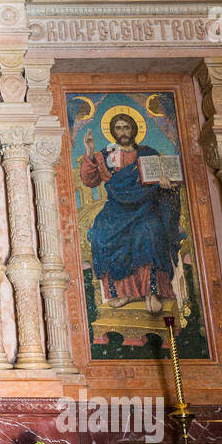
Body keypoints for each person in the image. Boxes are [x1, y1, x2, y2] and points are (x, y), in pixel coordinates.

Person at [79, 110, 183, 314]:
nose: (123, 132)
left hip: (145, 207)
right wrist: (90, 153)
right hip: (117, 210)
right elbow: (89, 180)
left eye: (126, 127)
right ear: (113, 131)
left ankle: (151, 292)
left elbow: (169, 180)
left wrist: (167, 185)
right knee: (101, 234)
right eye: (118, 128)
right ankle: (124, 293)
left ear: (134, 130)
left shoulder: (149, 154)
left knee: (149, 231)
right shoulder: (107, 155)